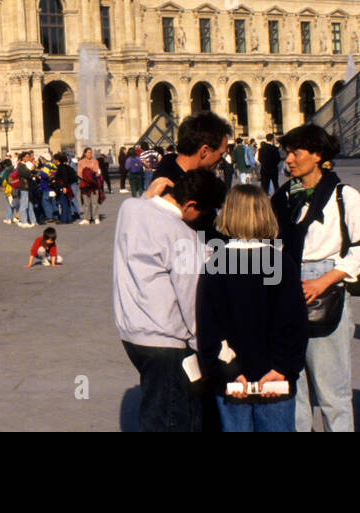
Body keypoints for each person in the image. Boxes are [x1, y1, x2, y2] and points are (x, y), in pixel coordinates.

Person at [271, 124, 360, 433]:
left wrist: (322, 282)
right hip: (289, 289)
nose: (288, 159)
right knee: (293, 387)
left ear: (317, 155)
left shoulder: (346, 196)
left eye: (295, 153)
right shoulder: (285, 196)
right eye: (287, 153)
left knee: (332, 392)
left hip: (327, 289)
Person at [114, 169, 227, 432]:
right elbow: (192, 304)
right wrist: (205, 350)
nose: (208, 219)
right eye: (207, 212)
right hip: (167, 342)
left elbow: (144, 206)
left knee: (156, 410)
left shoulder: (130, 208)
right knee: (172, 419)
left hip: (131, 334)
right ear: (190, 205)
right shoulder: (182, 236)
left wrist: (148, 195)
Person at [197, 185, 307, 432]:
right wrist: (282, 368)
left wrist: (228, 371)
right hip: (274, 378)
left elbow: (208, 329)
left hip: (233, 378)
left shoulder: (214, 265)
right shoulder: (281, 263)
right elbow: (294, 324)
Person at [152, 112, 233, 186]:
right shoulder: (171, 191)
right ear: (204, 151)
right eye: (221, 154)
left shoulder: (166, 171)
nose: (221, 160)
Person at [77, 147, 103, 224]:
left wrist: (97, 174)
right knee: (86, 202)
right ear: (85, 153)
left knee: (94, 202)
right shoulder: (80, 162)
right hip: (85, 184)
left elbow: (97, 170)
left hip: (94, 184)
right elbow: (79, 173)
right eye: (88, 152)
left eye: (91, 152)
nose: (90, 154)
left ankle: (96, 217)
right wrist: (87, 178)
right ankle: (87, 218)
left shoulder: (95, 161)